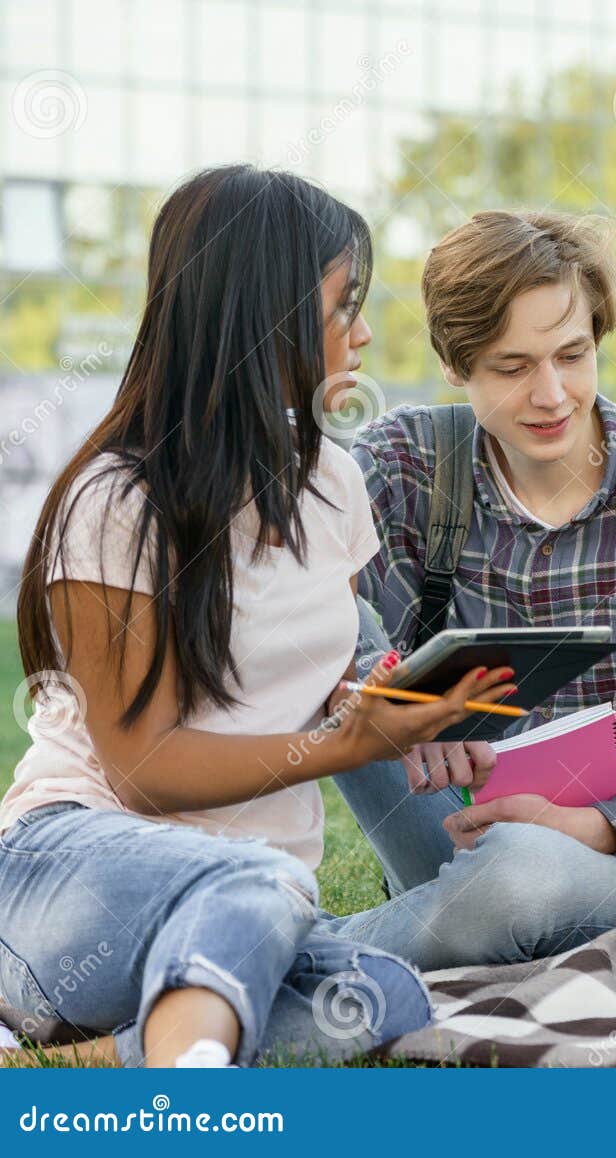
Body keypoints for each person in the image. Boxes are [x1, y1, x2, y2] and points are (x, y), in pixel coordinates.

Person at [0, 166, 520, 1067]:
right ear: (259, 314)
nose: (362, 332)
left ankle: (82, 1058)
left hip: (257, 904)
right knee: (259, 881)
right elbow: (142, 772)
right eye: (341, 305)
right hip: (70, 872)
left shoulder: (332, 485)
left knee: (384, 999)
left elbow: (311, 689)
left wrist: (406, 725)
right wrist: (348, 747)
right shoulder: (117, 500)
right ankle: (183, 1099)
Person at [339, 209, 616, 951]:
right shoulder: (401, 463)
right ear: (456, 367)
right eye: (512, 368)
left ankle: (292, 963)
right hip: (445, 818)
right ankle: (445, 923)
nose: (551, 395)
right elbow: (309, 637)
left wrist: (593, 826)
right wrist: (400, 717)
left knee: (521, 875)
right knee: (322, 613)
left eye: (572, 355)